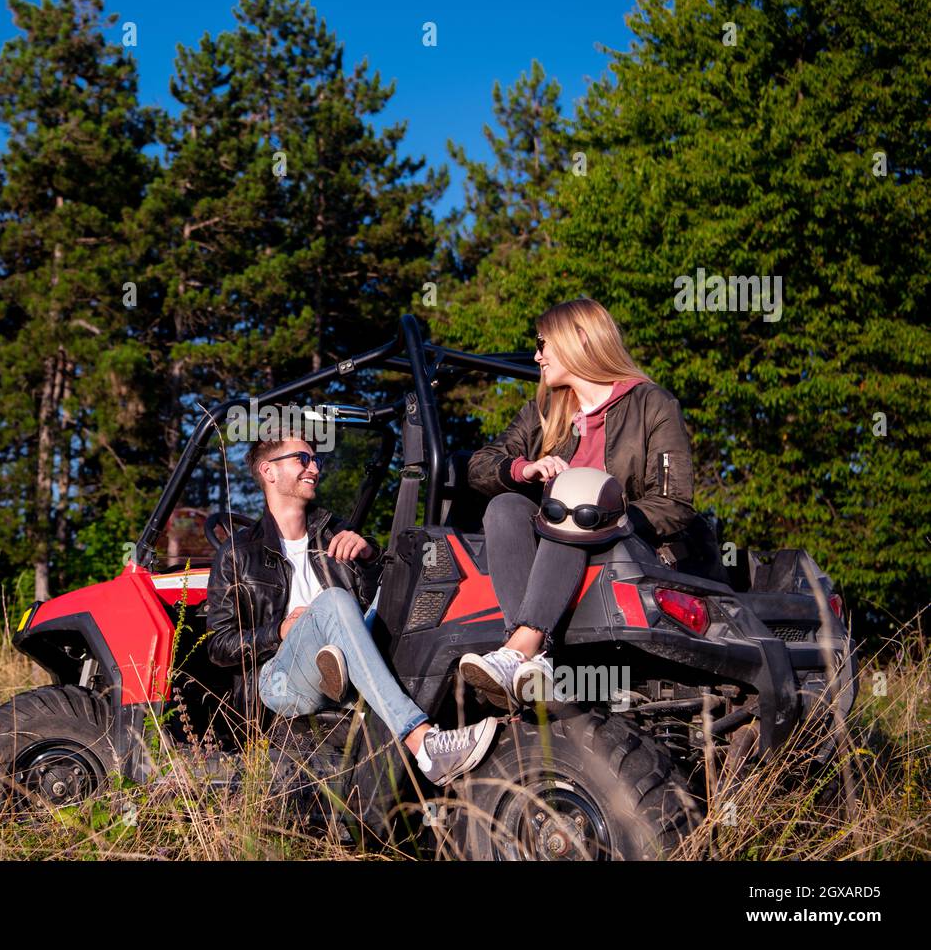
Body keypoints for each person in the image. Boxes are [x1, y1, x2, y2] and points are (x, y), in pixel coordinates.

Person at [207, 434, 498, 786]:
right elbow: (219, 647)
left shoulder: (337, 534)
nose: (314, 468)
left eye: (316, 460)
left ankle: (490, 675)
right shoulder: (238, 553)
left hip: (347, 643)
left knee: (408, 583)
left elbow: (383, 603)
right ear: (269, 471)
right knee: (332, 601)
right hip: (281, 679)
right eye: (302, 459)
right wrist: (281, 630)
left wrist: (371, 558)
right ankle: (422, 742)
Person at [460, 297, 701, 708]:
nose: (537, 356)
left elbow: (674, 503)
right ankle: (531, 652)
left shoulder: (651, 404)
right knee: (505, 508)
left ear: (579, 340)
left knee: (575, 498)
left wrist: (603, 517)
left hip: (628, 546)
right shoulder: (544, 413)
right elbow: (480, 465)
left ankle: (521, 649)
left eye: (542, 343)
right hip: (551, 550)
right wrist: (525, 469)